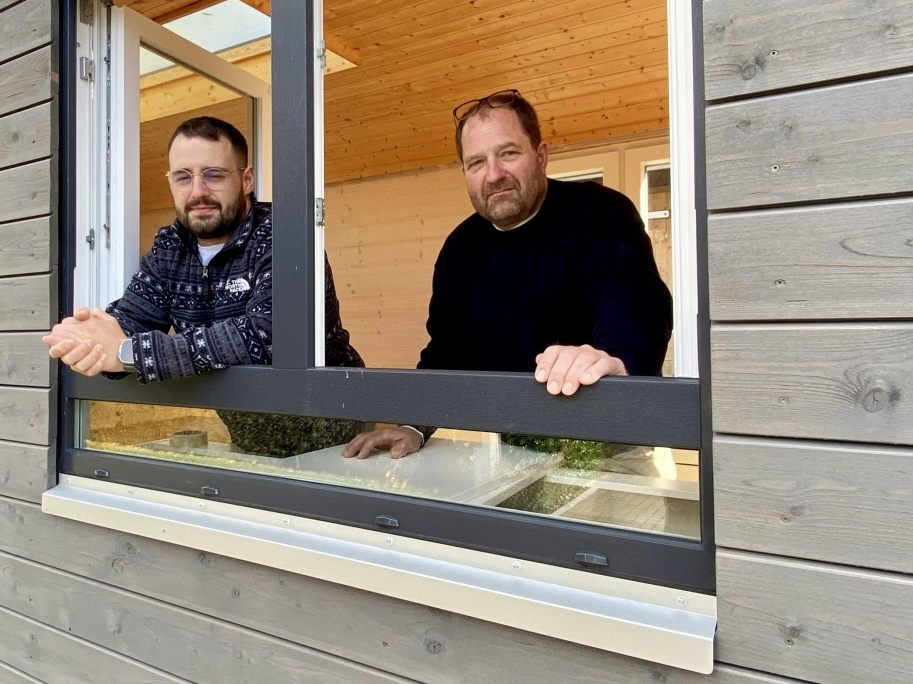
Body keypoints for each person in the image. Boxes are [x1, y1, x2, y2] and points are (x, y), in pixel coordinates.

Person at [344, 89, 672, 459]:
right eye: (476, 163)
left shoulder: (599, 213)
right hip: (512, 451)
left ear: (541, 156)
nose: (494, 175)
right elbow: (445, 354)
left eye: (508, 153)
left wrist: (617, 360)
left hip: (610, 443)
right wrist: (414, 426)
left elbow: (636, 303)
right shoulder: (460, 249)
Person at [43, 115, 365, 456]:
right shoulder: (169, 249)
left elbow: (268, 338)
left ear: (247, 179)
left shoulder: (287, 234)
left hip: (337, 443)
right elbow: (131, 323)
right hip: (250, 444)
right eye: (183, 177)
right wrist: (89, 339)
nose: (198, 192)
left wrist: (129, 353)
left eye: (213, 175)